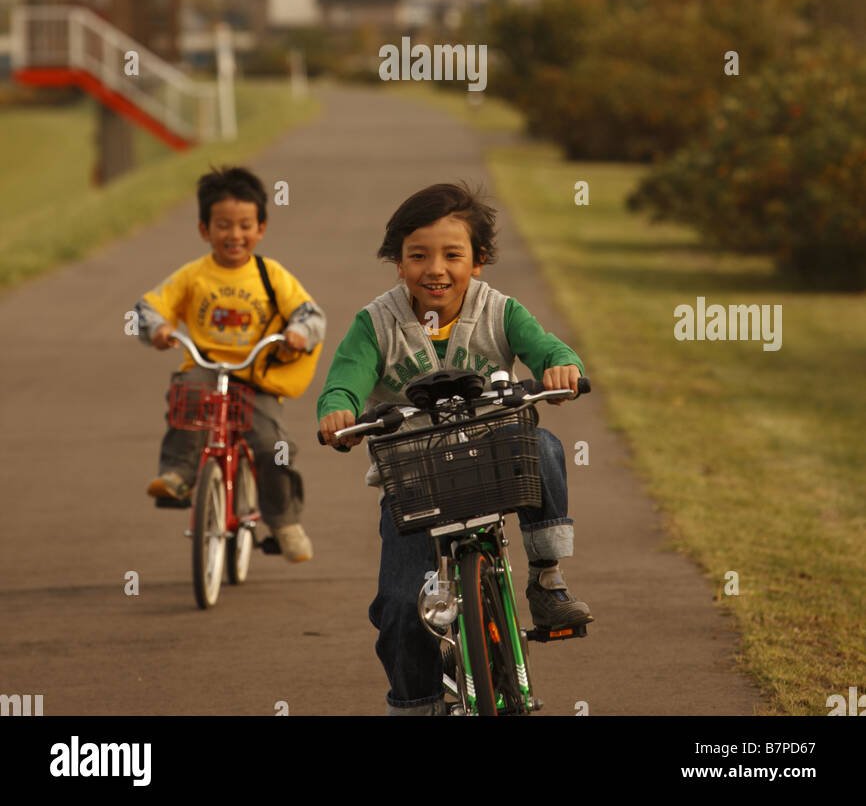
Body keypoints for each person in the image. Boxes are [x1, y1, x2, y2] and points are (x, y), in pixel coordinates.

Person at [317, 181, 592, 715]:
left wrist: (563, 368)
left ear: (479, 261)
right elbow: (344, 380)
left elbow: (549, 350)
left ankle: (546, 578)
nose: (434, 269)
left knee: (543, 444)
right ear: (398, 263)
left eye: (452, 255)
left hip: (495, 460)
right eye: (417, 256)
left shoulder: (501, 312)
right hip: (414, 479)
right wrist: (338, 410)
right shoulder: (375, 324)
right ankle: (414, 703)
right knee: (401, 606)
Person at [134, 165, 325, 563]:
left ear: (261, 227)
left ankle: (285, 522)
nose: (234, 235)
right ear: (204, 229)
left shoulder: (271, 275)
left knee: (275, 448)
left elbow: (311, 314)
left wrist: (300, 332)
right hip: (207, 366)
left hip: (257, 375)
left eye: (244, 225)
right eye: (222, 225)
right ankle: (179, 474)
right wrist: (157, 327)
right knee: (186, 393)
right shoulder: (193, 276)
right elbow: (148, 308)